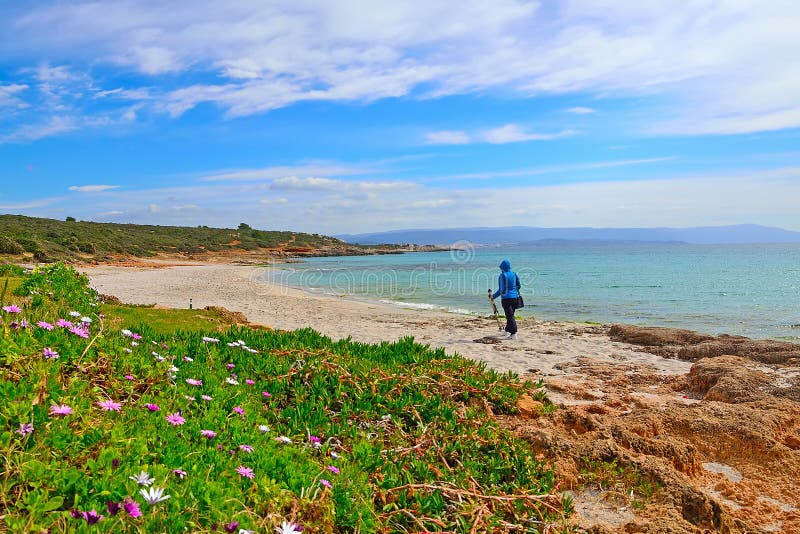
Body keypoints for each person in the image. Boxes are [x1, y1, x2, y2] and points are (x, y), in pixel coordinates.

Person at [491, 259, 521, 339]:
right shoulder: (514, 274)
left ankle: (514, 334)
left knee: (510, 316)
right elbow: (519, 285)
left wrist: (493, 296)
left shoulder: (502, 275)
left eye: (501, 267)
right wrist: (513, 290)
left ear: (503, 267)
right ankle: (507, 331)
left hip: (506, 299)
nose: (500, 269)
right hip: (515, 298)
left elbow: (501, 290)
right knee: (510, 315)